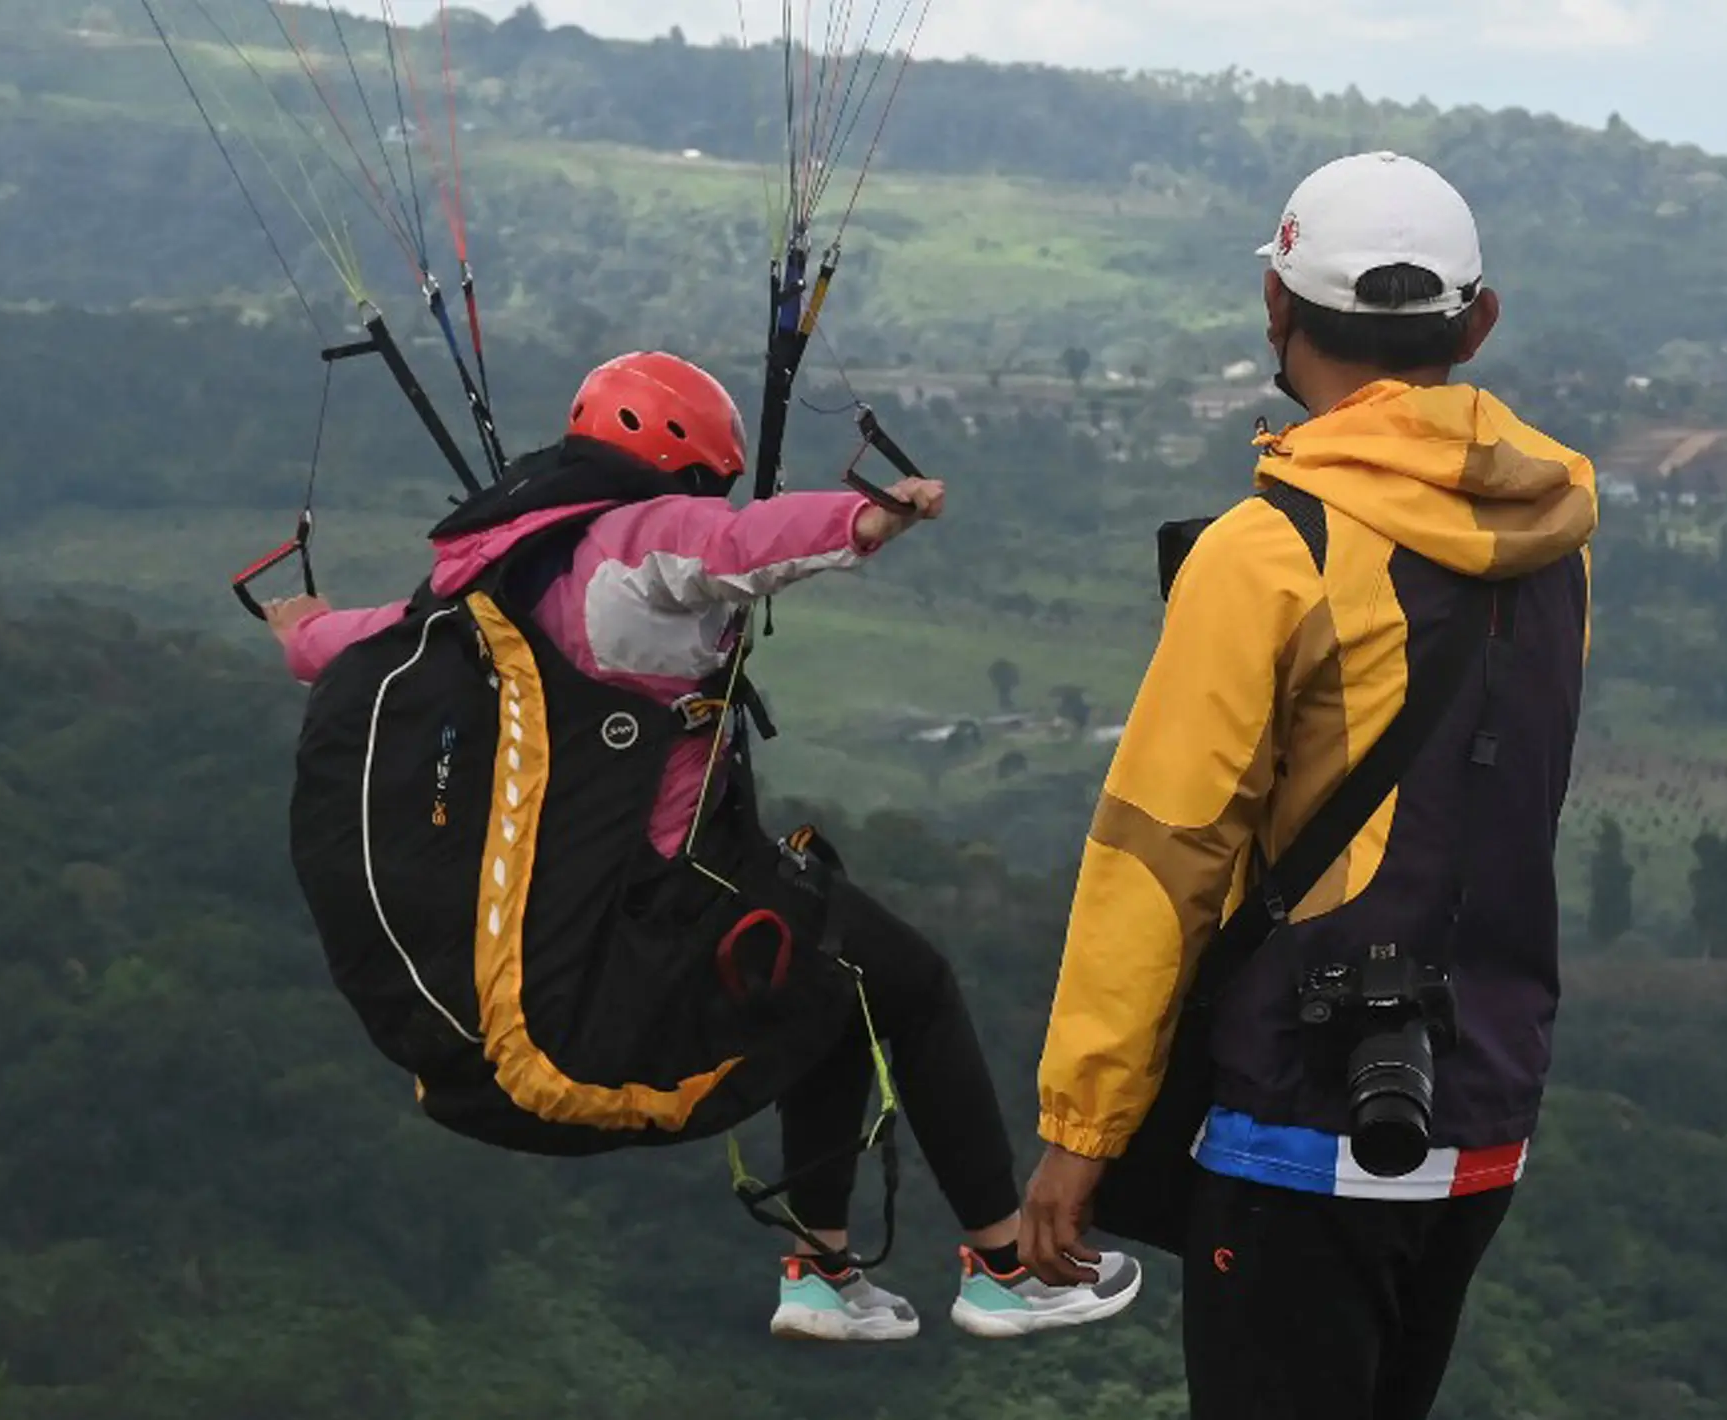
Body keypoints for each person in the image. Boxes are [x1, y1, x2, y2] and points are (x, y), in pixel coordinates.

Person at [264, 350, 1141, 1343]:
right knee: (920, 982)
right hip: (662, 914)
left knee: (832, 977)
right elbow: (730, 546)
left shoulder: (498, 567)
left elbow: (362, 637)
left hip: (588, 919)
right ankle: (1004, 1264)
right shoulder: (634, 543)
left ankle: (823, 1272)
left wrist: (303, 628)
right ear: (683, 465)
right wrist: (865, 519)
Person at [1017, 153, 1598, 1416]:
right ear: (1477, 322)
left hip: (1301, 1118)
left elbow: (1158, 855)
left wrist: (1082, 1129)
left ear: (1275, 310)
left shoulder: (1268, 550)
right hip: (1481, 1115)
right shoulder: (1556, 548)